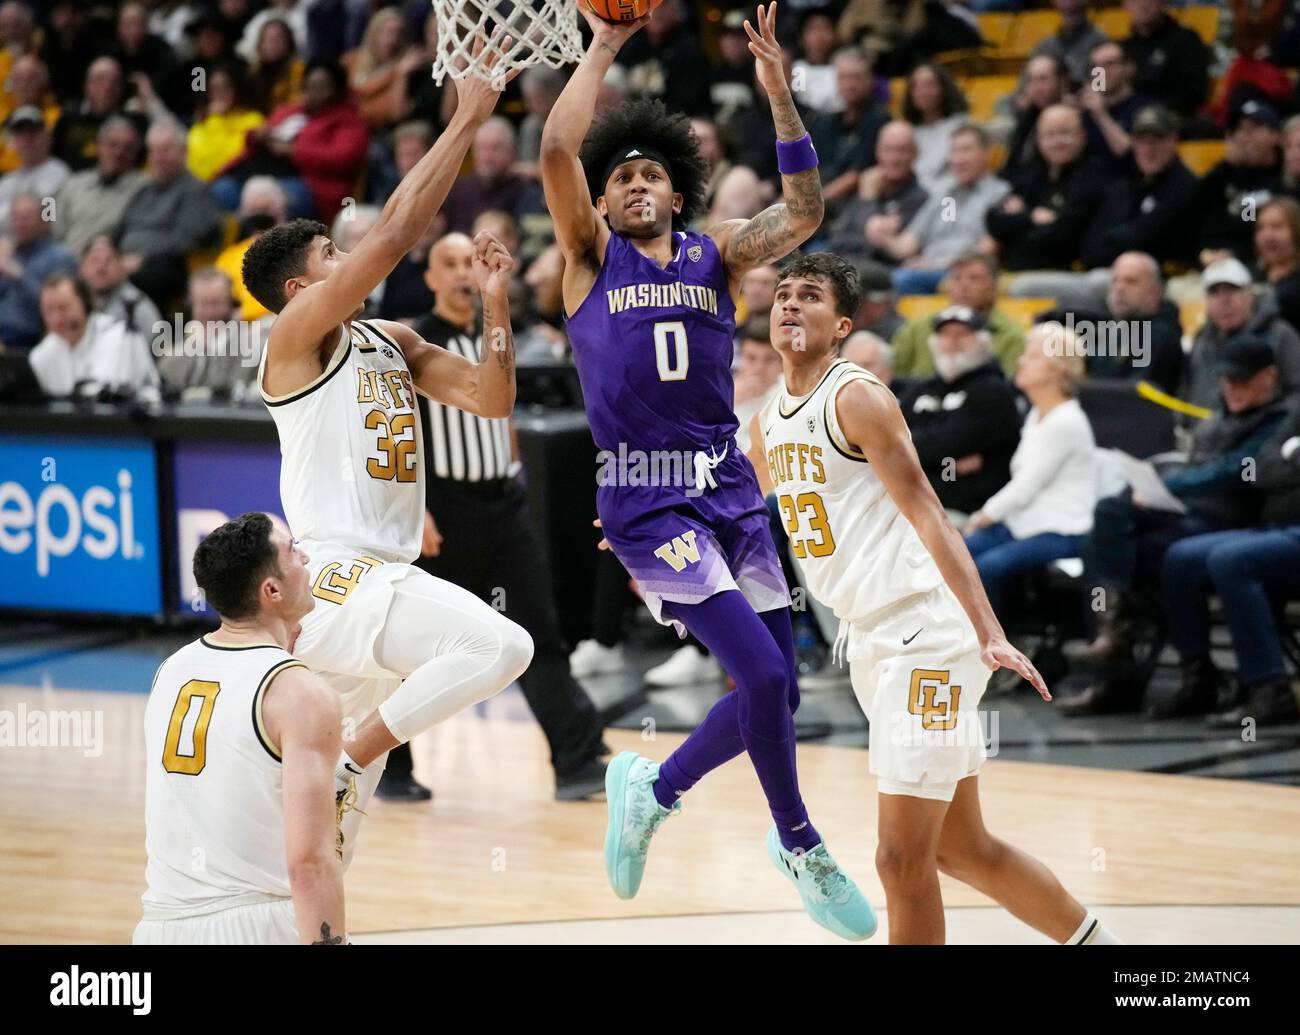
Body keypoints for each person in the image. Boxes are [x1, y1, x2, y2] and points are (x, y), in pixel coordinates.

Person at [541, 3, 874, 938]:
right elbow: (557, 153)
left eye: (652, 172)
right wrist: (603, 44)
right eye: (622, 177)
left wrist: (779, 97)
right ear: (602, 204)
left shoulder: (718, 253)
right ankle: (798, 840)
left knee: (777, 686)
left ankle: (653, 787)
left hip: (729, 484)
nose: (637, 182)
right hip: (647, 498)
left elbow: (805, 211)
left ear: (677, 193)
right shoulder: (586, 258)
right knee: (766, 681)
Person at [752, 252, 1116, 945]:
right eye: (784, 295)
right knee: (961, 848)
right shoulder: (770, 416)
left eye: (810, 297)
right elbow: (731, 499)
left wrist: (988, 627)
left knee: (899, 857)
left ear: (842, 326)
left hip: (925, 631)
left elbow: (927, 510)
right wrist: (643, 530)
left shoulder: (855, 395)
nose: (792, 305)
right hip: (870, 637)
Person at [239, 45, 533, 866]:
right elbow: (400, 229)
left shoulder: (392, 340)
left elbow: (492, 398)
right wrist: (469, 116)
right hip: (336, 571)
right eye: (332, 257)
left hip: (375, 582)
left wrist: (497, 306)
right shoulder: (293, 341)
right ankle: (355, 755)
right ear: (301, 291)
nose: (350, 259)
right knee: (501, 646)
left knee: (324, 843)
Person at [394, 231, 609, 802]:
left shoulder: (493, 333)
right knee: (413, 645)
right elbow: (402, 434)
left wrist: (513, 469)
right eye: (450, 262)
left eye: (471, 261)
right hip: (444, 506)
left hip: (502, 504)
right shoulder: (417, 344)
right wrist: (418, 512)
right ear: (432, 277)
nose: (464, 272)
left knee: (539, 629)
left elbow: (504, 406)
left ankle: (579, 757)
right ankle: (389, 770)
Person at [134, 513, 347, 945]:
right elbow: (309, 862)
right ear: (271, 591)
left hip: (158, 924)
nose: (305, 557)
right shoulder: (300, 693)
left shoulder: (170, 670)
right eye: (291, 551)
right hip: (256, 925)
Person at [964, 324, 1096, 623]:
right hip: (1023, 524)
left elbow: (1025, 486)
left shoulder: (1066, 421)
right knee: (956, 557)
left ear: (1058, 370)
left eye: (1034, 356)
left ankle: (996, 653)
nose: (1021, 361)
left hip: (1063, 530)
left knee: (987, 569)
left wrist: (982, 517)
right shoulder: (1036, 415)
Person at [898, 304, 1021, 518]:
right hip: (912, 503)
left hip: (967, 511)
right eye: (945, 334)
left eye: (962, 334)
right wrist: (947, 464)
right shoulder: (919, 390)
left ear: (982, 341)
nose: (952, 341)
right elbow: (890, 441)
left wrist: (916, 455)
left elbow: (945, 444)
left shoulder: (994, 391)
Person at [891, 253, 1024, 377]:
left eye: (974, 278)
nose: (964, 286)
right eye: (956, 278)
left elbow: (1010, 385)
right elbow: (891, 372)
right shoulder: (920, 327)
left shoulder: (1011, 335)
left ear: (994, 287)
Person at [29, 270, 158, 398]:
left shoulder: (120, 336)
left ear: (84, 303)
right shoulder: (44, 351)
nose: (57, 319)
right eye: (49, 311)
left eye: (64, 308)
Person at [0, 191, 75, 349]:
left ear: (44, 220)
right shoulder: (8, 252)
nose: (20, 223)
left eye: (26, 218)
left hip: (27, 343)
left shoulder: (59, 257)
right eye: (15, 217)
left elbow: (57, 306)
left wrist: (18, 274)